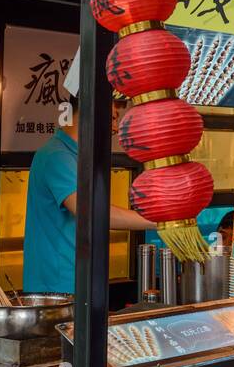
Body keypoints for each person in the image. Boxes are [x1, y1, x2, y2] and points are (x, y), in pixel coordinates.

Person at [22, 54, 158, 294]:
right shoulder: (57, 156)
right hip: (57, 290)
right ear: (91, 106)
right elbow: (91, 212)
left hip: (80, 284)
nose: (116, 128)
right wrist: (158, 221)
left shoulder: (80, 157)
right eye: (114, 117)